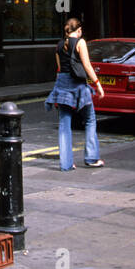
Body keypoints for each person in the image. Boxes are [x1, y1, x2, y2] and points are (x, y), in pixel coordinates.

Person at [46, 17, 105, 171]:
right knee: (90, 119)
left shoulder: (59, 45)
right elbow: (86, 65)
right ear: (79, 30)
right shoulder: (80, 42)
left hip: (63, 85)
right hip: (78, 85)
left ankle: (66, 164)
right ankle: (91, 158)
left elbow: (60, 68)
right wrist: (97, 84)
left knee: (65, 124)